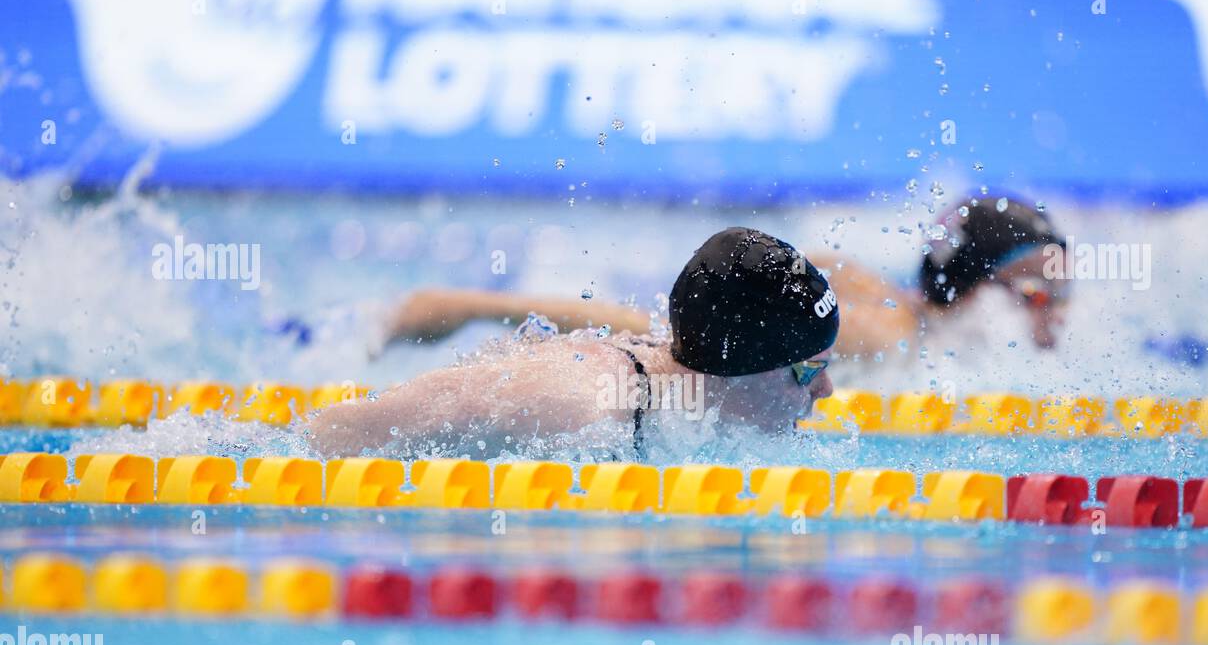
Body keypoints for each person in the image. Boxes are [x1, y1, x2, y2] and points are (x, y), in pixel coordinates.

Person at [306, 227, 837, 458]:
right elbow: (333, 434)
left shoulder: (682, 380)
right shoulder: (580, 402)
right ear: (740, 367)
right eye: (808, 371)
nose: (828, 392)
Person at [378, 195, 1069, 357]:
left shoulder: (898, 307)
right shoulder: (885, 335)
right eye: (1038, 288)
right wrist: (477, 304)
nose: (1055, 310)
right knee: (659, 335)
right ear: (974, 284)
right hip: (681, 326)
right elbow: (686, 338)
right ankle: (461, 304)